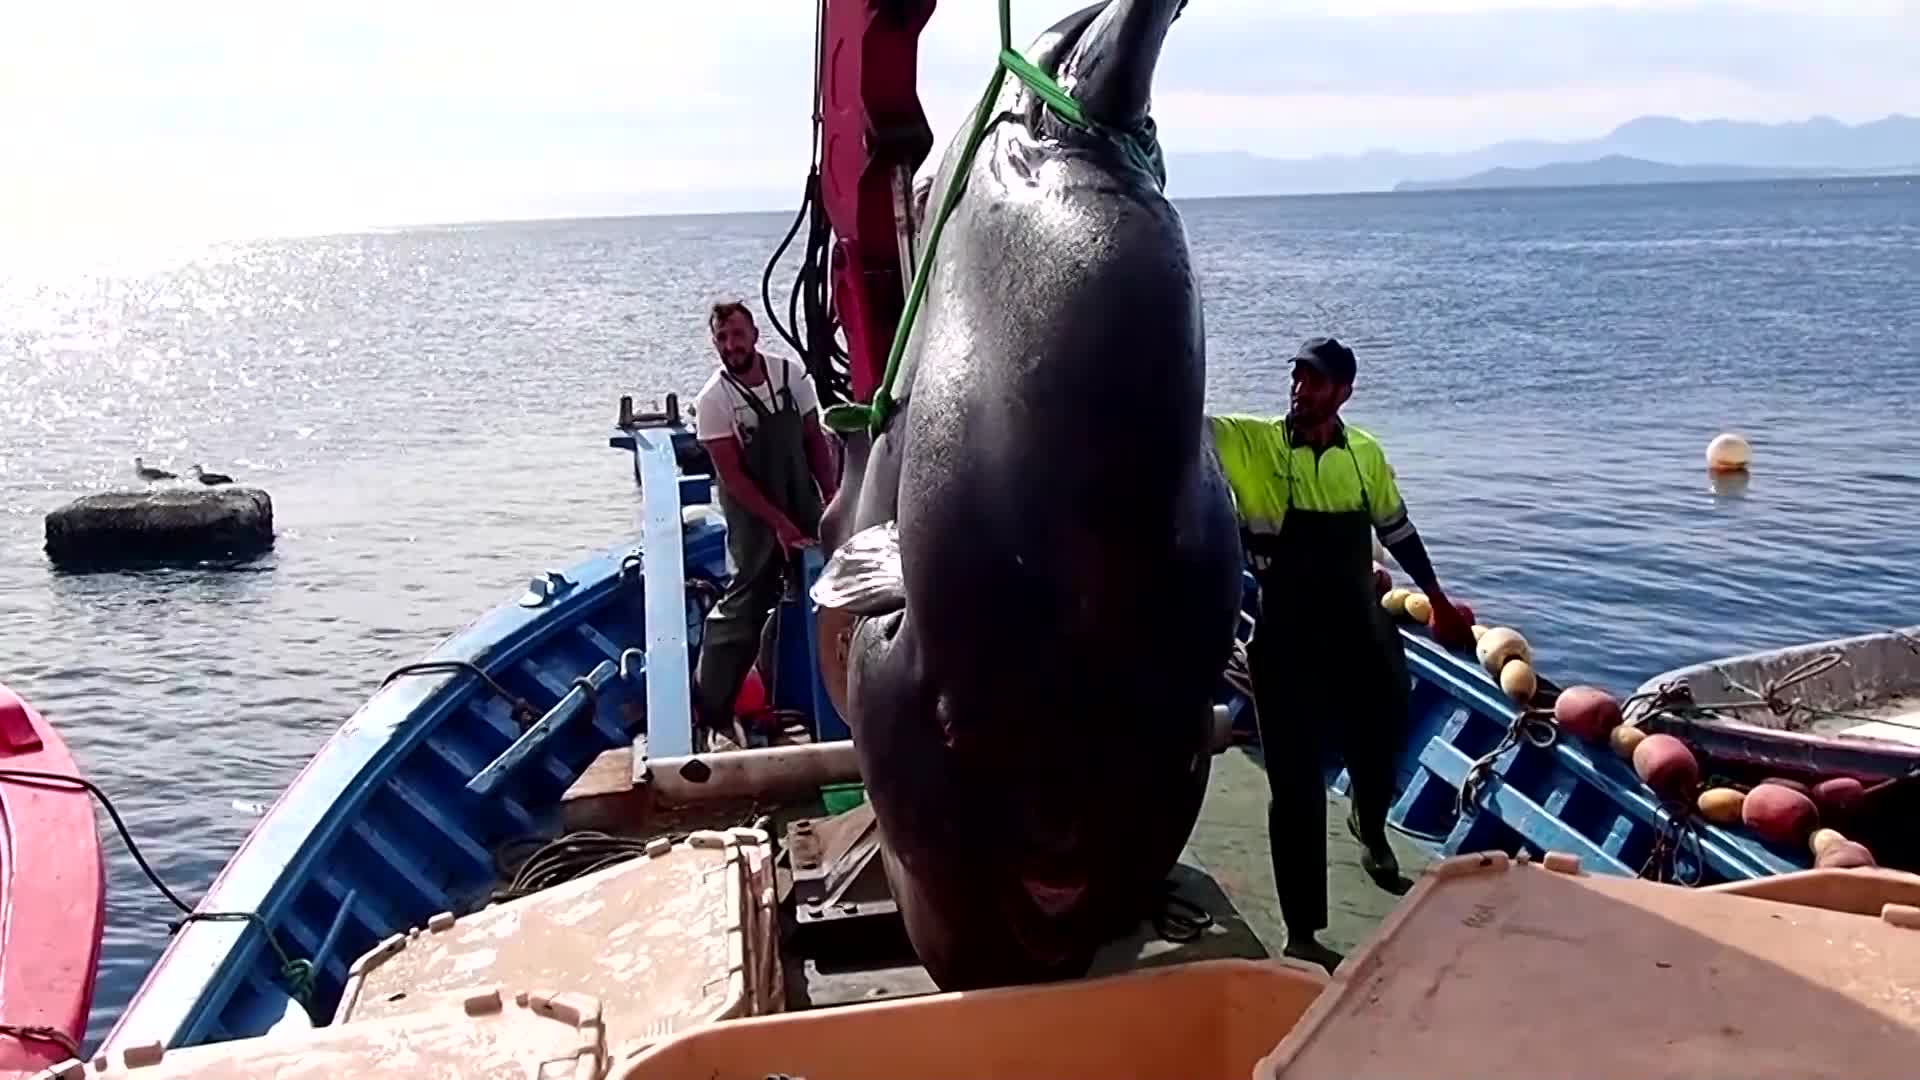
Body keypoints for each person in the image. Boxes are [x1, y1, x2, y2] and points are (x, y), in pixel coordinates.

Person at [1208, 336, 1473, 972]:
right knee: (1294, 786)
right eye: (1296, 378)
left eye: (1316, 382)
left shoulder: (1365, 455)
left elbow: (1396, 529)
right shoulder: (1253, 444)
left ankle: (1372, 824)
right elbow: (1184, 420)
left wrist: (1436, 598)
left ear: (1343, 392)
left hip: (1358, 625)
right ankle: (1302, 929)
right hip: (1286, 635)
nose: (1300, 390)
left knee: (1386, 720)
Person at [690, 300, 840, 734]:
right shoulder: (714, 401)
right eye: (721, 338)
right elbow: (732, 476)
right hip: (753, 520)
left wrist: (830, 495)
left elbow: (814, 441)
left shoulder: (790, 376)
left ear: (754, 334)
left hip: (803, 504)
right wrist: (777, 524)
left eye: (737, 334)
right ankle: (711, 708)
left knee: (826, 589)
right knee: (743, 606)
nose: (731, 345)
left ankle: (827, 696)